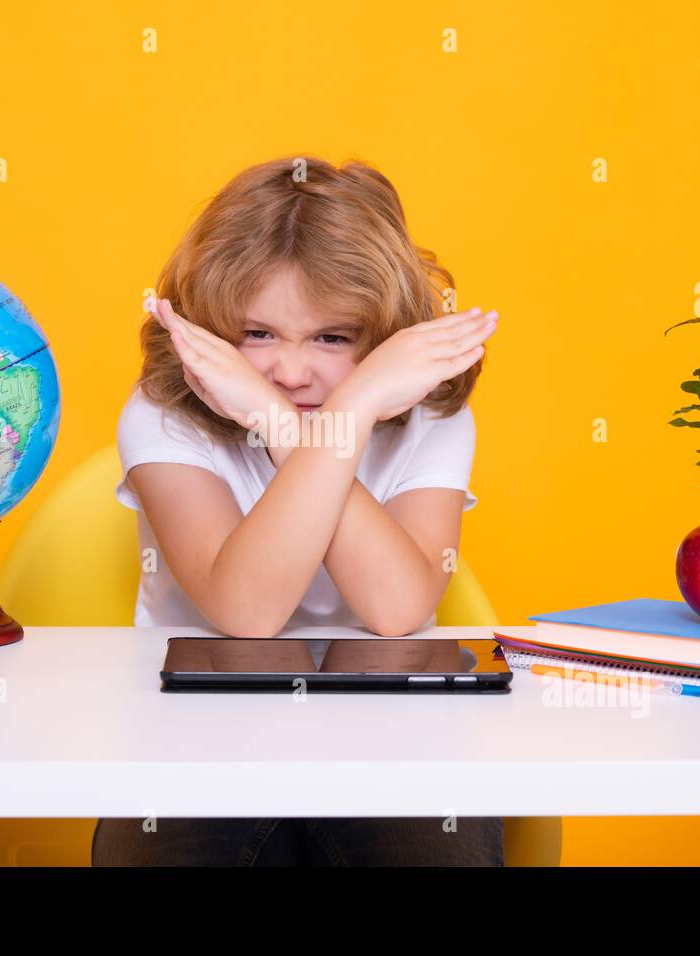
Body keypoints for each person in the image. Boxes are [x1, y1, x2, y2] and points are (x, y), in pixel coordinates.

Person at [92, 156, 502, 866]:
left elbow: (397, 606)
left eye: (333, 339)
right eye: (258, 334)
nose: (289, 372)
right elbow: (248, 612)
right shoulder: (161, 413)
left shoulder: (432, 415)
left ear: (383, 338)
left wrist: (300, 421)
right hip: (197, 727)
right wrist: (324, 421)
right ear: (214, 329)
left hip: (397, 725)